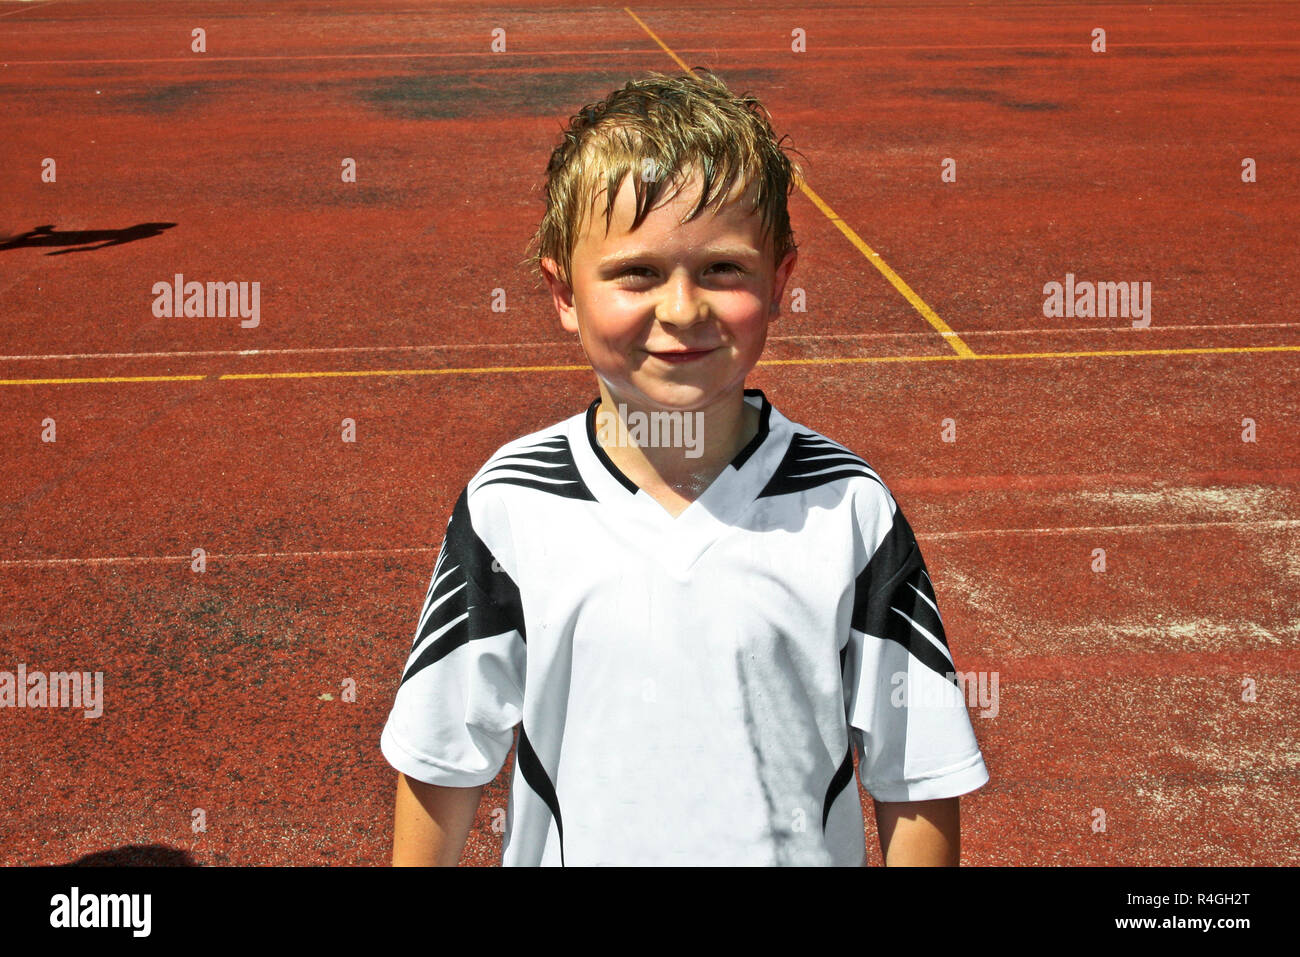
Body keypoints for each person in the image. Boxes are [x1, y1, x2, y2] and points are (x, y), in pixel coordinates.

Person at [381, 69, 989, 866]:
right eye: (636, 272)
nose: (682, 308)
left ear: (779, 283)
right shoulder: (511, 506)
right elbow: (441, 758)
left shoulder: (847, 508)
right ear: (563, 293)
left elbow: (916, 775)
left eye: (723, 270)